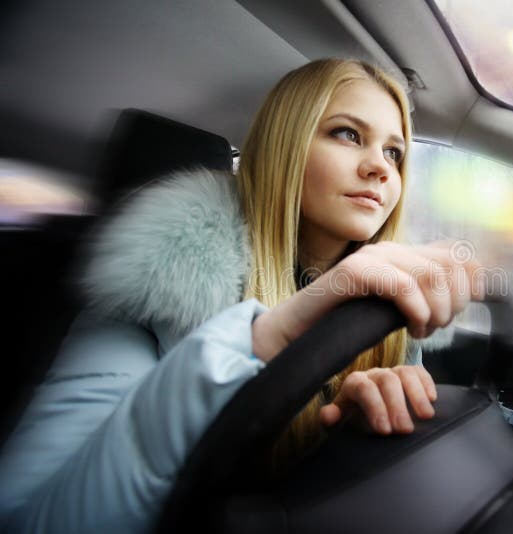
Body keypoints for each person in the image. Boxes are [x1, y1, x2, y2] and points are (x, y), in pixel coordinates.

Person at [0, 59, 484, 533]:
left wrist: (350, 437)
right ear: (284, 145)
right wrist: (264, 340)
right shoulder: (149, 294)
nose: (380, 167)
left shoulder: (393, 311)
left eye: (395, 153)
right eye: (347, 134)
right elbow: (30, 519)